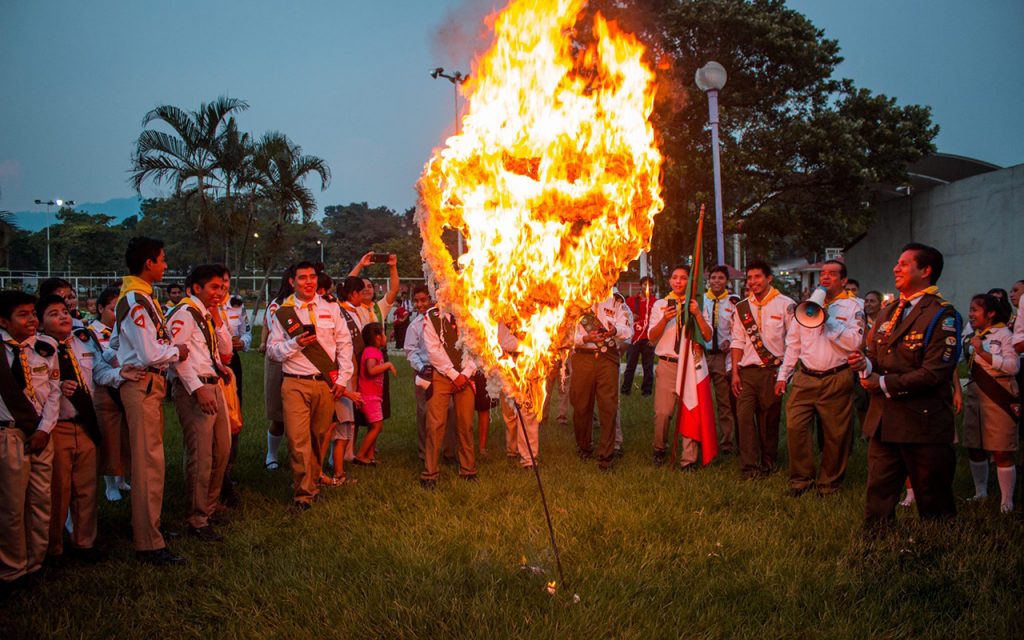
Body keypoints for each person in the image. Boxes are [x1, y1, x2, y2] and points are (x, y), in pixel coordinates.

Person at [850, 242, 961, 527]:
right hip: (884, 420)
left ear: (926, 271)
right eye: (896, 263)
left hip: (921, 422)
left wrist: (882, 382)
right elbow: (875, 355)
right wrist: (865, 367)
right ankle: (875, 544)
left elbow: (934, 373)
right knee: (878, 493)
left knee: (932, 496)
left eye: (903, 264)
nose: (895, 268)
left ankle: (938, 551)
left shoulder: (942, 315)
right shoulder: (889, 312)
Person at [110, 237, 189, 565]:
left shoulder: (139, 297)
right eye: (162, 259)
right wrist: (176, 352)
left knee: (151, 462)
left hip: (145, 385)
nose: (166, 265)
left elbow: (116, 341)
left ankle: (149, 527)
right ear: (148, 264)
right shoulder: (136, 300)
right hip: (143, 386)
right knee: (148, 465)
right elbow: (149, 352)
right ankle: (148, 542)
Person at [37, 295, 128, 558]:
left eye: (65, 311)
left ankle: (84, 541)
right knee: (58, 490)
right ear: (41, 323)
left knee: (86, 488)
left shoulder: (83, 340)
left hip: (85, 424)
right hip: (57, 428)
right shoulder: (38, 350)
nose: (64, 317)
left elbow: (98, 373)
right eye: (54, 313)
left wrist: (122, 374)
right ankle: (53, 546)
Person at [266, 262, 359, 511]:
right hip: (294, 382)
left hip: (325, 385)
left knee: (318, 438)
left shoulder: (330, 308)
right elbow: (273, 351)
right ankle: (303, 494)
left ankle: (313, 481)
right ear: (292, 282)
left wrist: (342, 380)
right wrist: (295, 343)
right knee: (298, 440)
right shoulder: (283, 313)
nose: (308, 282)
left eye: (312, 277)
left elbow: (344, 344)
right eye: (302, 278)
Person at [776, 260, 864, 497]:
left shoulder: (852, 306)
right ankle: (800, 480)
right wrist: (783, 375)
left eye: (832, 274)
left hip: (836, 377)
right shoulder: (806, 306)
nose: (825, 278)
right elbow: (793, 344)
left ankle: (828, 484)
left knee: (836, 434)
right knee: (796, 428)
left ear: (844, 280)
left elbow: (855, 343)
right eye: (823, 274)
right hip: (805, 377)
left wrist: (828, 321)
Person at [166, 265, 233, 541]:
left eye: (222, 287)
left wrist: (219, 366)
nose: (220, 292)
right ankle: (197, 518)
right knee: (201, 455)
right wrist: (196, 389)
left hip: (212, 382)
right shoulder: (184, 313)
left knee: (222, 449)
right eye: (214, 287)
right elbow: (177, 356)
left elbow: (215, 349)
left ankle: (210, 506)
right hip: (195, 389)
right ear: (196, 288)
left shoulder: (205, 314)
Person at [0, 291, 60, 584]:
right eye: (22, 315)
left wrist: (44, 429)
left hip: (41, 434)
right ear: (3, 321)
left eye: (33, 313)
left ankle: (37, 561)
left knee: (40, 500)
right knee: (11, 505)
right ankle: (13, 567)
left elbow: (54, 391)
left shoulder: (46, 347)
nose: (32, 320)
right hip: (9, 433)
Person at [731, 260, 796, 480]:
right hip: (747, 372)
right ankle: (749, 467)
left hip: (772, 371)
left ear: (769, 278)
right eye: (749, 278)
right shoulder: (742, 307)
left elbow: (793, 342)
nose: (753, 282)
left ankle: (769, 462)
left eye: (757, 277)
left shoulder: (785, 305)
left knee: (769, 418)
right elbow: (737, 341)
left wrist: (785, 374)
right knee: (744, 416)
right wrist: (735, 373)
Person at [648, 266, 712, 469]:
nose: (678, 282)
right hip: (668, 363)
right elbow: (651, 337)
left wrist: (697, 315)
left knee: (689, 408)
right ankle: (659, 448)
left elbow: (708, 336)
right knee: (663, 412)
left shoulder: (699, 304)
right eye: (674, 278)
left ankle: (689, 459)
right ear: (669, 281)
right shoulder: (660, 304)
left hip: (690, 364)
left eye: (683, 278)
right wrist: (665, 318)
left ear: (690, 282)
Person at [961, 293, 1019, 512]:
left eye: (975, 310)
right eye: (971, 309)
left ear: (991, 313)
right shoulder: (972, 333)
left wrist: (983, 353)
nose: (971, 314)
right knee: (974, 445)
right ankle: (981, 492)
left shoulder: (1005, 334)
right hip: (975, 393)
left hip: (999, 393)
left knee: (1001, 449)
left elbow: (1013, 367)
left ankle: (1006, 501)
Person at [570, 292, 631, 471]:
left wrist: (615, 330)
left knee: (608, 407)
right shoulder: (575, 299)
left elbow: (627, 329)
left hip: (607, 357)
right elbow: (565, 335)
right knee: (581, 406)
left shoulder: (616, 300)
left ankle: (606, 456)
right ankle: (584, 447)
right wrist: (585, 338)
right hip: (582, 356)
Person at [420, 305, 478, 488]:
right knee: (435, 424)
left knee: (465, 423)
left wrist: (465, 374)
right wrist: (454, 375)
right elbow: (433, 351)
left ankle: (468, 469)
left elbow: (477, 347)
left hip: (466, 376)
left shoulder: (474, 311)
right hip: (442, 375)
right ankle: (430, 472)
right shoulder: (432, 316)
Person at [91, 285, 133, 502]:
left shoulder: (126, 330)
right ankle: (109, 483)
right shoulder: (91, 334)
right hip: (106, 388)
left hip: (125, 386)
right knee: (109, 436)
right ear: (100, 308)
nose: (117, 315)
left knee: (125, 436)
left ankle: (121, 478)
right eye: (112, 309)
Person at [703, 265, 737, 454]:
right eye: (713, 277)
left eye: (720, 278)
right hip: (703, 354)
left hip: (722, 357)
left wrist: (730, 342)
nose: (716, 281)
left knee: (724, 401)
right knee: (702, 398)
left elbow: (738, 330)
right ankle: (704, 437)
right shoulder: (701, 301)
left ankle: (726, 441)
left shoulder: (733, 302)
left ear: (726, 281)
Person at [262, 266, 294, 471]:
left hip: (302, 362)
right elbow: (267, 325)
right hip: (278, 361)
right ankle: (271, 455)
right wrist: (263, 342)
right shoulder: (278, 305)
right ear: (291, 281)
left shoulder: (313, 304)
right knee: (278, 413)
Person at [497, 323, 540, 468]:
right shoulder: (500, 311)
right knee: (509, 409)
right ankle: (512, 449)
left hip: (527, 360)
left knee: (528, 410)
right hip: (505, 359)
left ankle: (528, 458)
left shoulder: (532, 311)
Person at [352, 322, 395, 466]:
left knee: (373, 426)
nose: (385, 336)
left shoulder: (373, 350)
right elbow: (371, 370)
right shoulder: (371, 351)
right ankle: (360, 455)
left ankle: (370, 457)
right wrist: (387, 365)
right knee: (377, 426)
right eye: (383, 333)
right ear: (377, 337)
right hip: (369, 396)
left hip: (374, 396)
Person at [622, 276, 656, 396]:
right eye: (645, 284)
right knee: (630, 365)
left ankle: (646, 392)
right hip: (634, 338)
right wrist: (630, 316)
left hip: (648, 339)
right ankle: (625, 391)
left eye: (650, 285)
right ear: (640, 285)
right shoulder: (631, 300)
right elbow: (622, 316)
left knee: (648, 366)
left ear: (653, 287)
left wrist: (655, 339)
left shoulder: (655, 302)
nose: (647, 287)